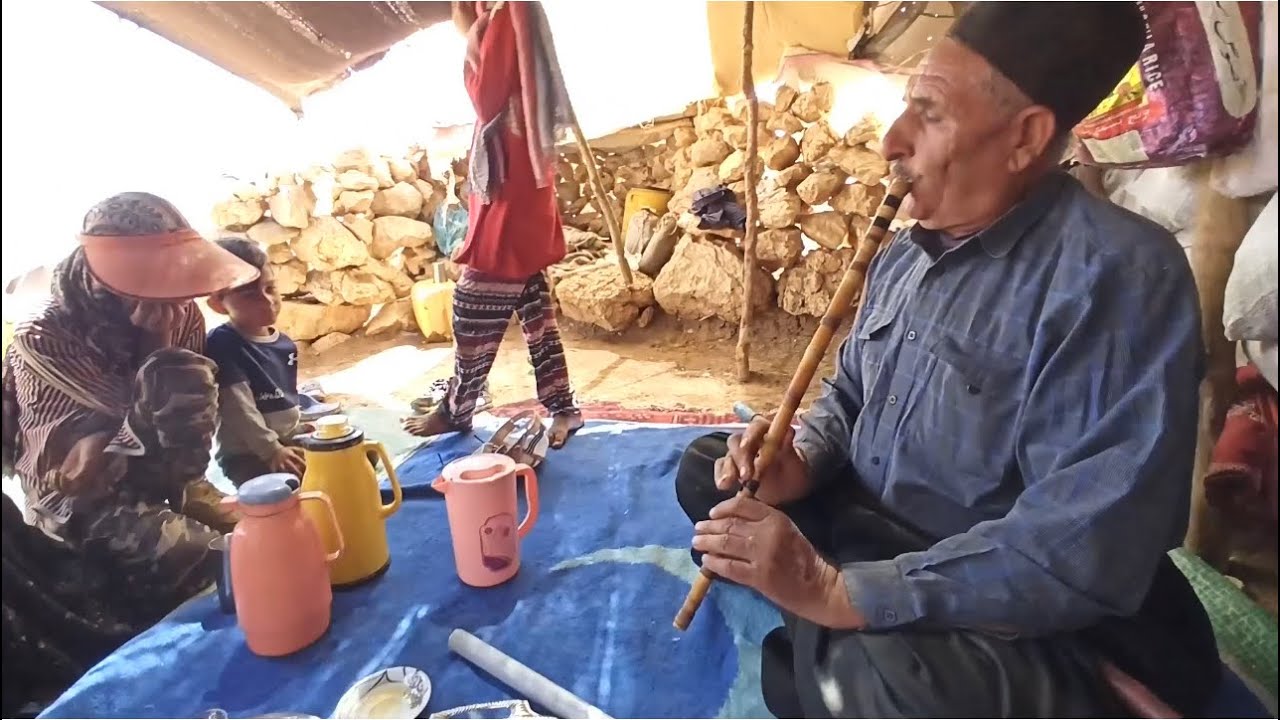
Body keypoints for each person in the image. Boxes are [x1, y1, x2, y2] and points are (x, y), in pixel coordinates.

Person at [677, 3, 1221, 717]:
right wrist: (801, 459)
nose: (892, 141)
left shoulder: (1120, 279)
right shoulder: (908, 251)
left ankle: (848, 643)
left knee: (883, 682)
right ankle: (831, 638)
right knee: (707, 471)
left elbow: (1081, 547)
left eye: (929, 115)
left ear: (1025, 138)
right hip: (881, 529)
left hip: (1035, 601)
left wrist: (834, 590)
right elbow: (850, 393)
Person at [2, 193, 258, 652]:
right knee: (222, 561)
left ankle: (185, 506)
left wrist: (164, 348)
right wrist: (155, 347)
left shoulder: (179, 312)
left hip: (161, 474)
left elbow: (179, 430)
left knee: (260, 533)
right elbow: (100, 453)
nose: (179, 296)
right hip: (83, 502)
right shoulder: (45, 335)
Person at [403, 0, 583, 448]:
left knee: (471, 303)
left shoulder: (504, 13)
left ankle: (457, 409)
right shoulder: (508, 12)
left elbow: (487, 98)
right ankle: (563, 406)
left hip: (513, 188)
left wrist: (470, 30)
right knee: (534, 308)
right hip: (520, 178)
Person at [205, 238, 308, 486]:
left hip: (285, 442)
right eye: (250, 294)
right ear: (218, 304)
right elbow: (239, 409)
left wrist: (299, 427)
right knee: (288, 491)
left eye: (270, 288)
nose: (267, 300)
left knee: (354, 453)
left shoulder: (284, 344)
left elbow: (283, 401)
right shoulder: (223, 344)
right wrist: (272, 450)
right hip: (249, 455)